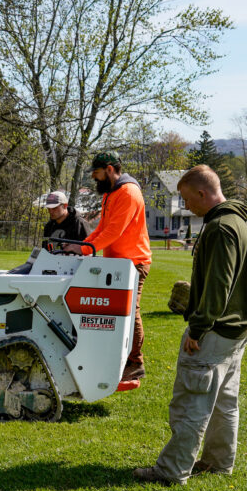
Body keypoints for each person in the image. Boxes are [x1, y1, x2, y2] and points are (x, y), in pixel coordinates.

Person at [134, 165, 247, 486]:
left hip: (215, 331)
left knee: (192, 401)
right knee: (224, 401)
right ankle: (218, 462)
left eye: (188, 200)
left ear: (203, 193)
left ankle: (171, 470)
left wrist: (198, 328)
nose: (186, 207)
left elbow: (219, 287)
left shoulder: (220, 228)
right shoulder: (239, 221)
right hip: (237, 330)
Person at [67, 151, 151, 382]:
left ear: (110, 169)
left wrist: (84, 250)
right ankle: (115, 357)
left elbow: (115, 232)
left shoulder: (128, 193)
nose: (94, 177)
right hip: (117, 264)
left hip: (134, 262)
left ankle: (136, 362)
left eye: (97, 172)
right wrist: (78, 245)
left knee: (130, 311)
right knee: (111, 312)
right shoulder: (111, 194)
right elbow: (102, 228)